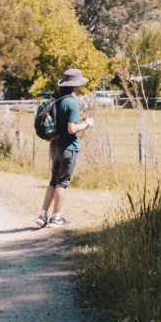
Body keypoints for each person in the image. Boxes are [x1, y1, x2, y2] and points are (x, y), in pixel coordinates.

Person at [36, 69, 94, 227]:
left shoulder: (55, 99)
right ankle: (56, 218)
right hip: (68, 148)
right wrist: (87, 124)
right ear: (76, 86)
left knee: (53, 181)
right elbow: (72, 129)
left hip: (54, 146)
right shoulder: (72, 103)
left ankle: (43, 215)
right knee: (62, 183)